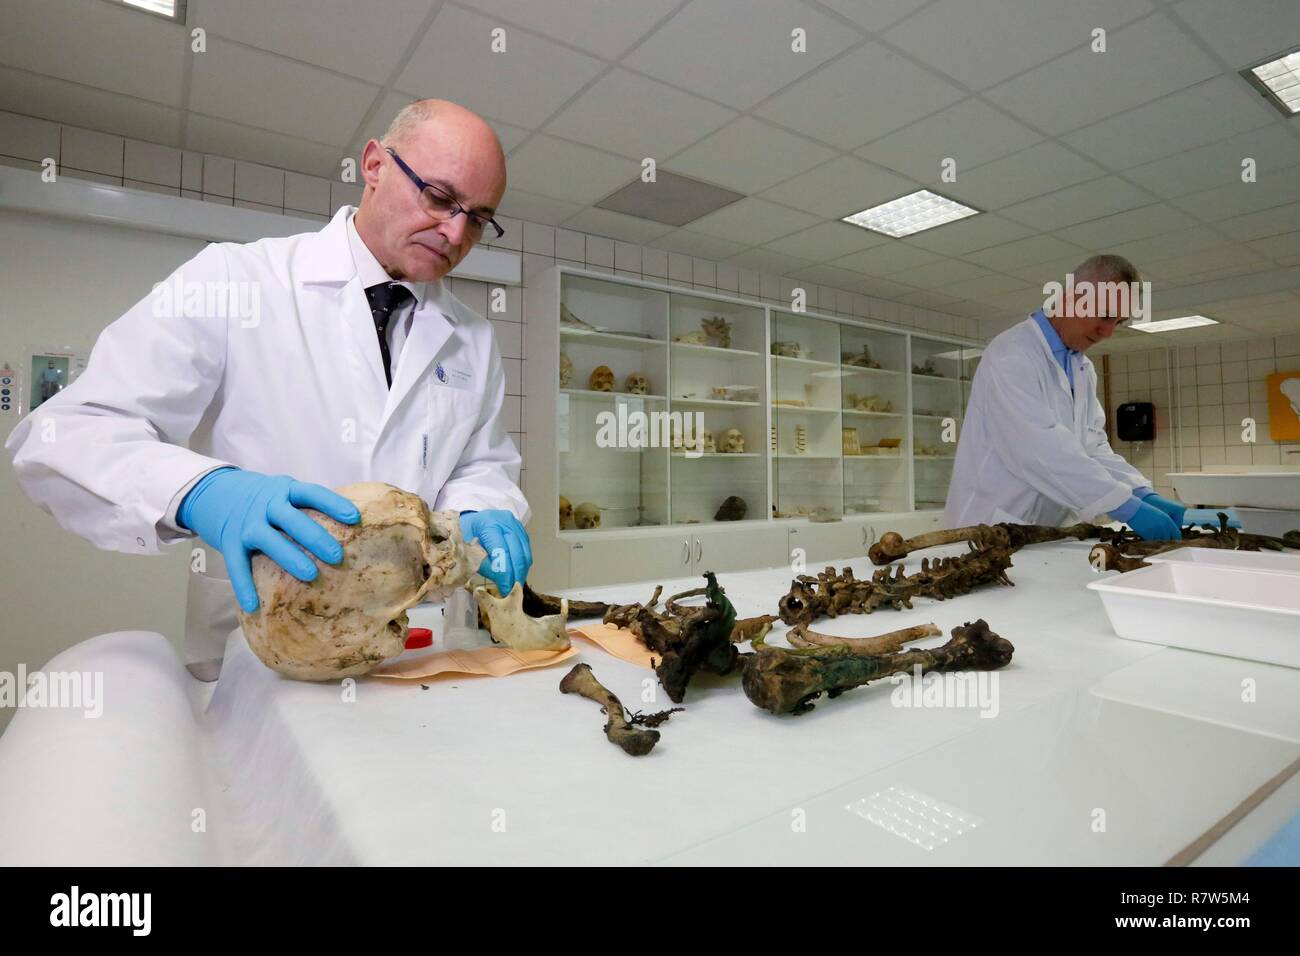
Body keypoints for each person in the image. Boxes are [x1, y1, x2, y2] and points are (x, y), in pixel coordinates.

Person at [6, 99, 532, 678]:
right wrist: (204, 492)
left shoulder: (473, 339)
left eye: (479, 217)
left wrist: (482, 509)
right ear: (376, 166)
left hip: (414, 645)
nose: (456, 230)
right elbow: (66, 435)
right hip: (261, 655)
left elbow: (480, 465)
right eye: (439, 197)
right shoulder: (234, 280)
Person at [945, 254, 1186, 540]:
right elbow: (1038, 449)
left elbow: (1092, 447)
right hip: (988, 527)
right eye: (1105, 316)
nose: (1108, 332)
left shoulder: (1081, 368)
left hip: (1044, 532)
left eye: (1119, 322)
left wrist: (1140, 492)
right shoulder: (1011, 354)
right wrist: (1125, 506)